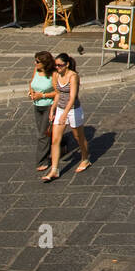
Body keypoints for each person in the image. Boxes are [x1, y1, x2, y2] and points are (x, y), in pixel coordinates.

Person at [41, 53, 90, 182]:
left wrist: (64, 114)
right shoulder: (56, 75)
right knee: (55, 140)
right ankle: (54, 170)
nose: (57, 67)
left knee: (78, 137)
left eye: (60, 65)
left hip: (74, 110)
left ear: (67, 64)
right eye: (56, 65)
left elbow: (72, 97)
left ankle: (85, 158)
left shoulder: (73, 76)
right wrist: (53, 108)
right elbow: (57, 94)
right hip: (61, 109)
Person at [28, 50, 57, 172]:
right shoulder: (36, 70)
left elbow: (57, 92)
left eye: (37, 62)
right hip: (37, 106)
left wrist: (43, 96)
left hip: (48, 106)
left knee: (42, 135)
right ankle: (62, 143)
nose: (35, 63)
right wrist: (31, 92)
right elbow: (31, 83)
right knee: (44, 131)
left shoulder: (53, 75)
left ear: (45, 63)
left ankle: (42, 160)